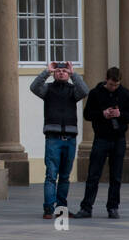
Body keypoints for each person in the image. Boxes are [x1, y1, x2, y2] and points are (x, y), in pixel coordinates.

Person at [72, 66, 129, 219]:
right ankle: (86, 207)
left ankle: (113, 207)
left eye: (116, 85)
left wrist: (120, 114)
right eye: (111, 84)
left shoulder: (125, 93)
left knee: (116, 176)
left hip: (119, 138)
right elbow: (87, 114)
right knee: (93, 174)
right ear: (106, 79)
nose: (114, 87)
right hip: (101, 138)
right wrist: (103, 114)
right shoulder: (96, 93)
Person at [29, 60, 88, 220]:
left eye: (64, 71)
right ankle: (48, 208)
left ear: (68, 75)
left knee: (64, 176)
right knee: (51, 175)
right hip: (53, 138)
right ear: (54, 74)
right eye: (58, 71)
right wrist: (46, 71)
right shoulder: (48, 89)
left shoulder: (72, 90)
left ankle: (61, 208)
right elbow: (34, 87)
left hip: (70, 138)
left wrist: (74, 73)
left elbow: (84, 91)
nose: (61, 72)